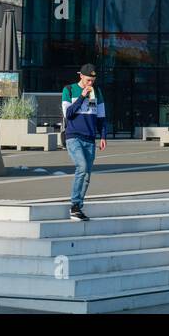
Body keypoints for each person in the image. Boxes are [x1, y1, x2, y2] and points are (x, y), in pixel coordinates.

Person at [62, 63, 107, 220]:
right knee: (81, 166)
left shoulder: (97, 93)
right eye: (88, 80)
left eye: (93, 81)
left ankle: (78, 208)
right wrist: (82, 96)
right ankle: (74, 204)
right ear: (80, 76)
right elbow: (69, 114)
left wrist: (103, 136)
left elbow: (100, 116)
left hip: (90, 138)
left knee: (87, 173)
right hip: (73, 136)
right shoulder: (69, 90)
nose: (90, 83)